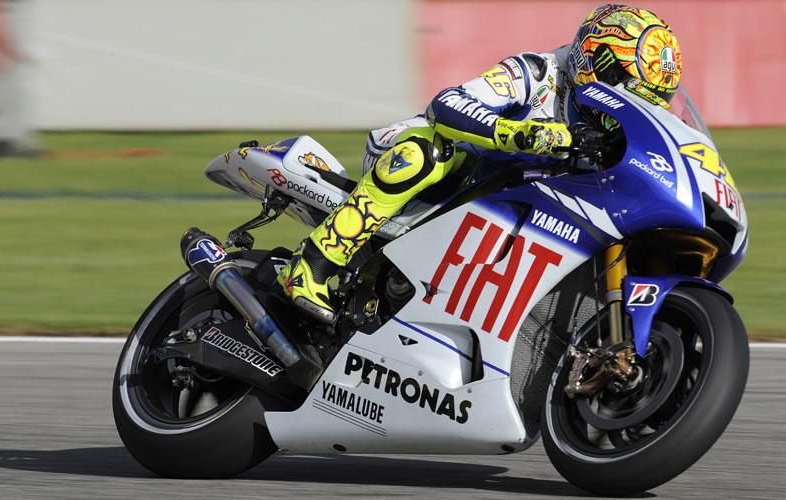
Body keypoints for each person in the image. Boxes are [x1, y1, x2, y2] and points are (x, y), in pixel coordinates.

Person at [278, 4, 682, 323]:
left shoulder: (612, 129)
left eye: (651, 99)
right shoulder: (538, 72)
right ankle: (313, 264)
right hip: (424, 169)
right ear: (595, 60)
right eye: (627, 86)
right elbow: (446, 105)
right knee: (428, 149)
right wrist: (530, 134)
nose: (635, 104)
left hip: (494, 205)